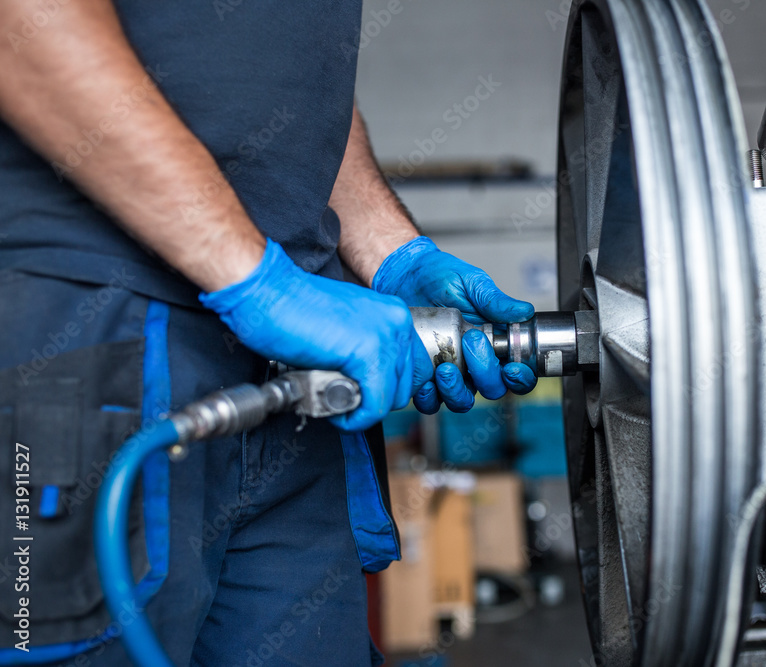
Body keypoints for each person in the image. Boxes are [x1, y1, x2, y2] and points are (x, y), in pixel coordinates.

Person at [0, 2, 536, 665]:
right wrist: (254, 279)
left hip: (293, 355)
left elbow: (279, 73)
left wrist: (388, 250)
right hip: (95, 325)